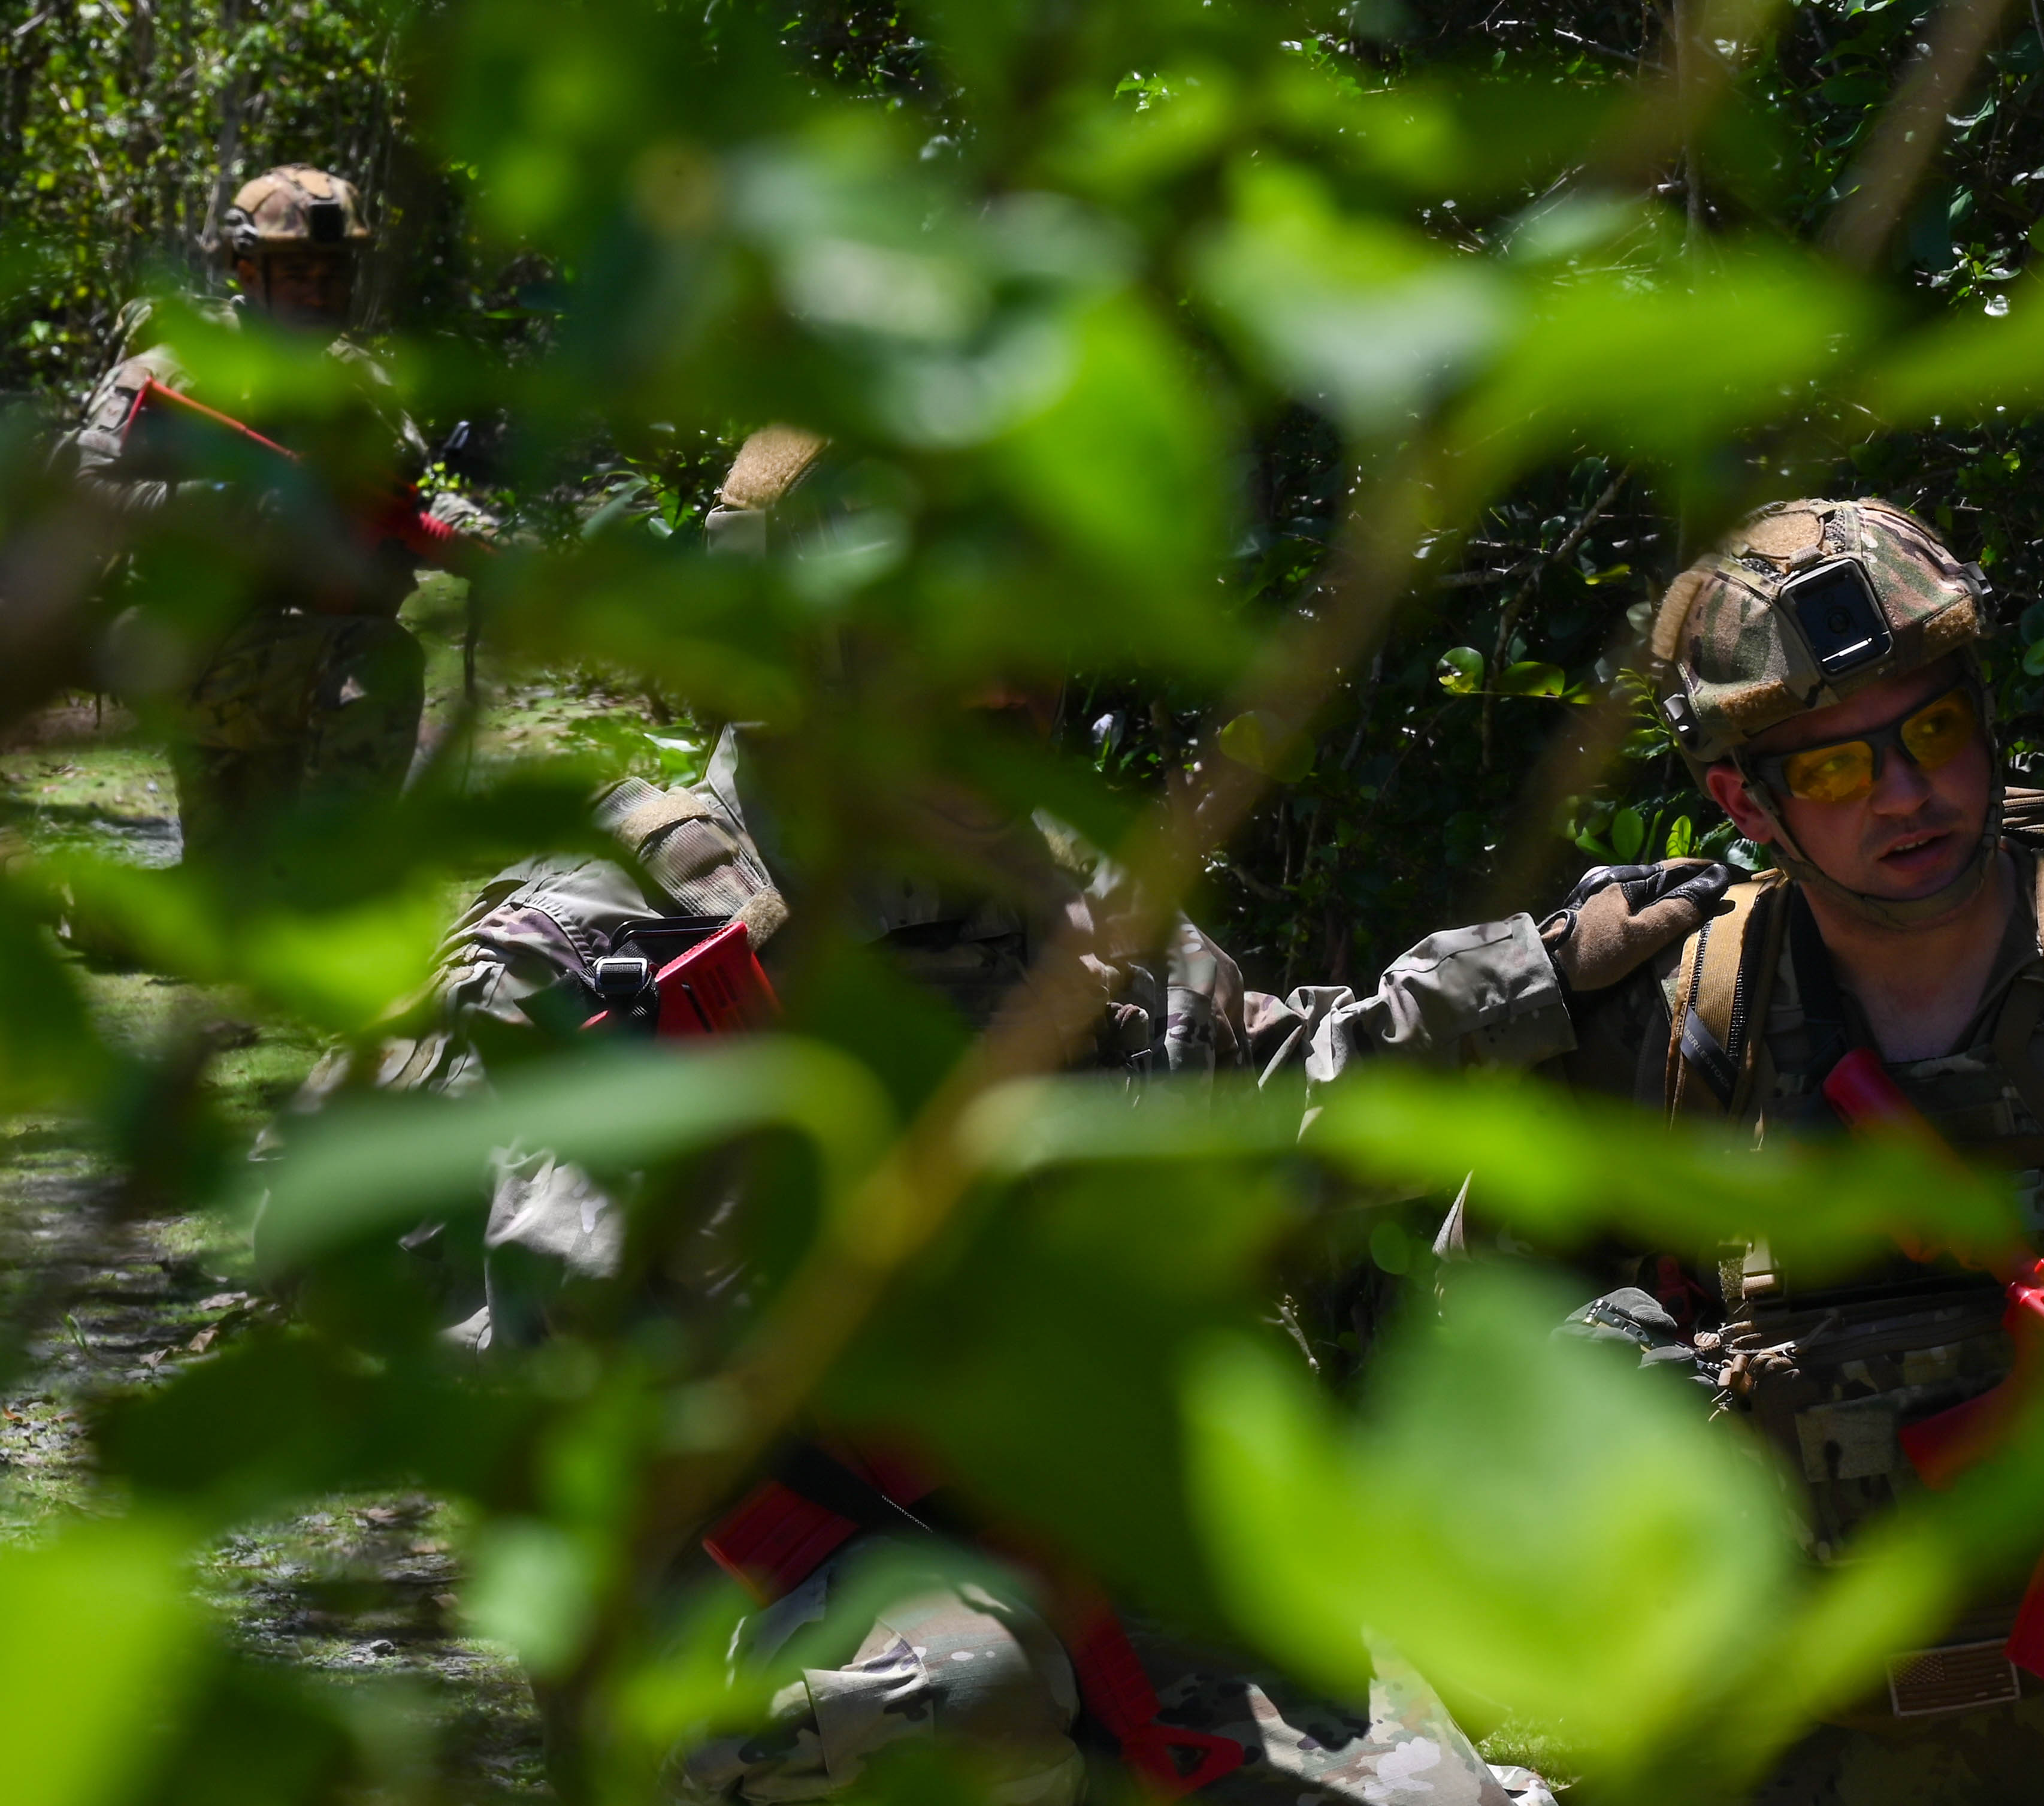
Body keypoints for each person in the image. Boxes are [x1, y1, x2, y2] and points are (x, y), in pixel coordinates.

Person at [294, 425, 1547, 1806]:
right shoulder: (611, 941)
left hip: (1091, 1545)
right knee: (959, 1694)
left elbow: (1243, 1098)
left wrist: (1522, 979)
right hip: (755, 1573)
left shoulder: (1074, 910)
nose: (997, 684)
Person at [1246, 497, 2044, 1806]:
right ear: (1741, 802)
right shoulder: (1672, 1028)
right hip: (1777, 1697)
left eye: (1931, 732)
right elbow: (1474, 1355)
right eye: (1833, 768)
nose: (1906, 791)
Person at [62, 165, 486, 871]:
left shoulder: (360, 384)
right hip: (190, 651)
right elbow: (87, 494)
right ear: (245, 271)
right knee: (378, 661)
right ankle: (335, 887)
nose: (319, 290)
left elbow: (404, 498)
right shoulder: (176, 373)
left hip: (304, 647)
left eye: (333, 273)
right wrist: (222, 502)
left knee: (228, 903)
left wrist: (475, 533)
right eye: (298, 273)